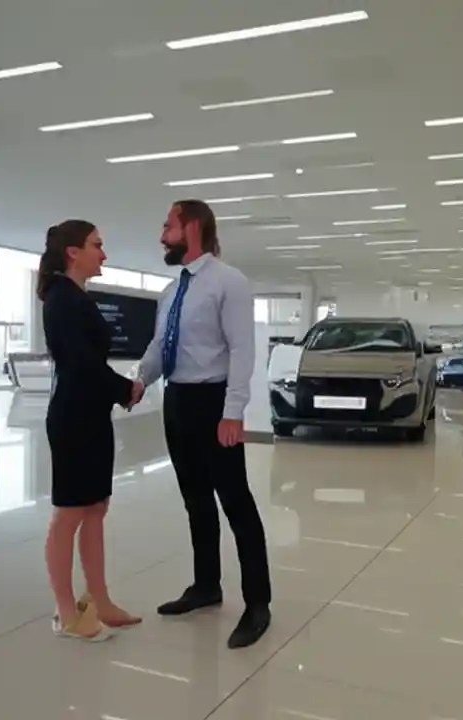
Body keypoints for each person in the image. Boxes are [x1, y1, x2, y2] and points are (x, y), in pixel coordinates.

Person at [130, 199, 272, 649]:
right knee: (195, 500)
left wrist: (233, 411)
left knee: (236, 502)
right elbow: (160, 344)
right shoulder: (171, 291)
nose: (161, 236)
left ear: (192, 227)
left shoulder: (230, 283)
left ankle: (258, 603)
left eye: (168, 225)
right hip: (178, 400)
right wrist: (140, 380)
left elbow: (242, 350)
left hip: (214, 402)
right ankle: (206, 585)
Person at [37, 219, 143, 641]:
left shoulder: (76, 297)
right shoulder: (62, 299)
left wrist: (118, 391)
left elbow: (88, 363)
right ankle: (66, 612)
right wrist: (124, 388)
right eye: (97, 245)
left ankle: (99, 600)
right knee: (70, 512)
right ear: (72, 252)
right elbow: (82, 364)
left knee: (95, 507)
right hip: (73, 417)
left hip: (91, 414)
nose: (104, 253)